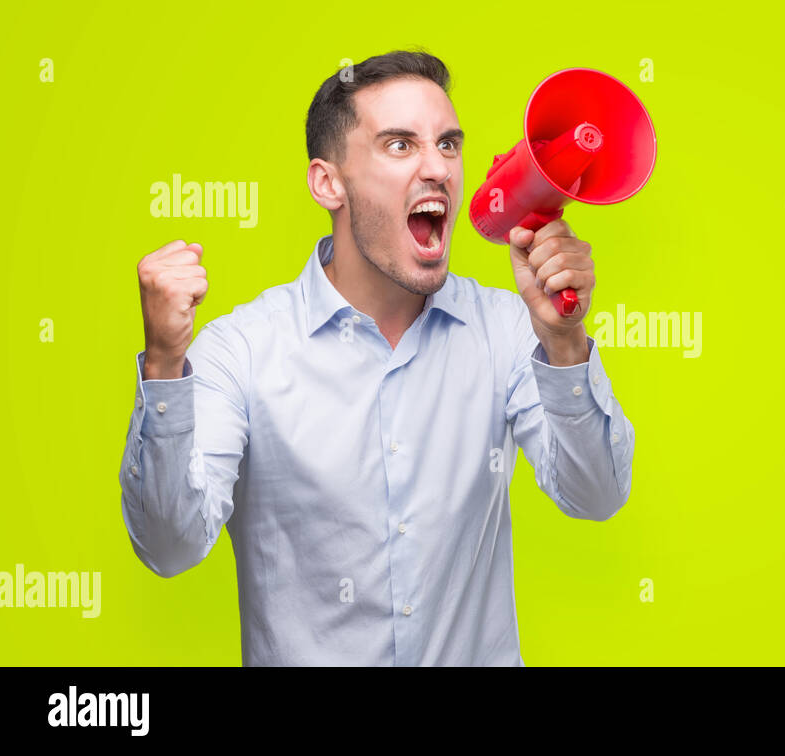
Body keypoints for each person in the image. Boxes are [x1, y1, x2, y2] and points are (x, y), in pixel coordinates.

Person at [118, 50, 634, 666]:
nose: (437, 168)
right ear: (327, 183)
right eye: (399, 145)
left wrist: (565, 342)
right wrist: (165, 365)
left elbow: (597, 493)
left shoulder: (505, 328)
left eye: (448, 144)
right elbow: (169, 547)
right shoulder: (244, 350)